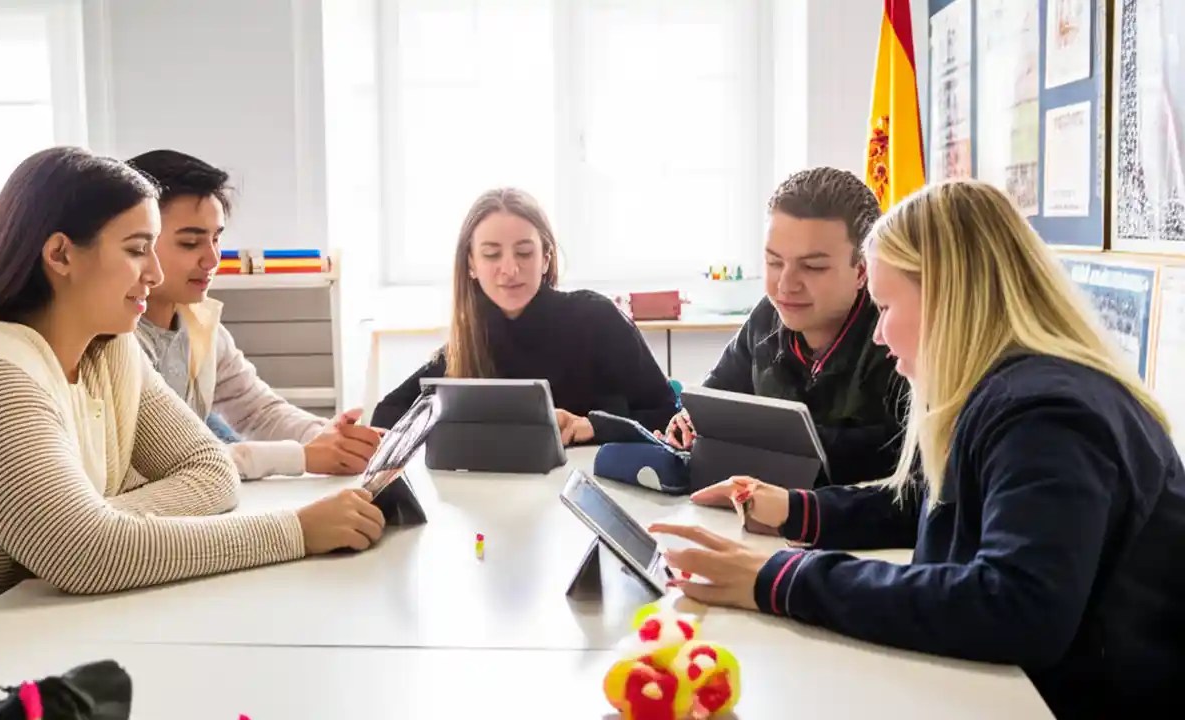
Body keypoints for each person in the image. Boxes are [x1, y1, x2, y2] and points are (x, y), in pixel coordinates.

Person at [651, 180, 1185, 717]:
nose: (878, 335)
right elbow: (930, 505)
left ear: (951, 300)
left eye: (885, 307)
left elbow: (1017, 607)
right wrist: (794, 509)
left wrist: (780, 580)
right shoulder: (1009, 393)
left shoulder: (1046, 418)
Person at [0, 147, 387, 650]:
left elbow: (212, 472)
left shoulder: (112, 351)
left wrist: (94, 525)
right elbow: (83, 553)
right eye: (137, 250)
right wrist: (296, 532)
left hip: (20, 639)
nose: (154, 274)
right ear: (61, 254)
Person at [127, 149, 382, 479]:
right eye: (190, 243)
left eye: (216, 238)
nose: (212, 259)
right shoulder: (117, 340)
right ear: (137, 243)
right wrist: (303, 456)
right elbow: (169, 457)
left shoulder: (201, 324)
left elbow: (258, 411)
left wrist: (333, 438)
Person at [370, 187, 678, 445]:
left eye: (524, 253)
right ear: (471, 264)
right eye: (491, 254)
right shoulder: (471, 340)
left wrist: (594, 426)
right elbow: (387, 414)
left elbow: (667, 414)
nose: (510, 269)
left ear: (545, 258)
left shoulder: (597, 318)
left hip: (587, 486)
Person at [660, 168, 905, 486]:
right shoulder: (767, 317)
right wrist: (689, 424)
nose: (785, 285)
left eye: (812, 267)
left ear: (862, 271)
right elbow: (712, 400)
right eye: (774, 262)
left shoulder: (897, 335)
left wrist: (754, 441)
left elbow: (895, 457)